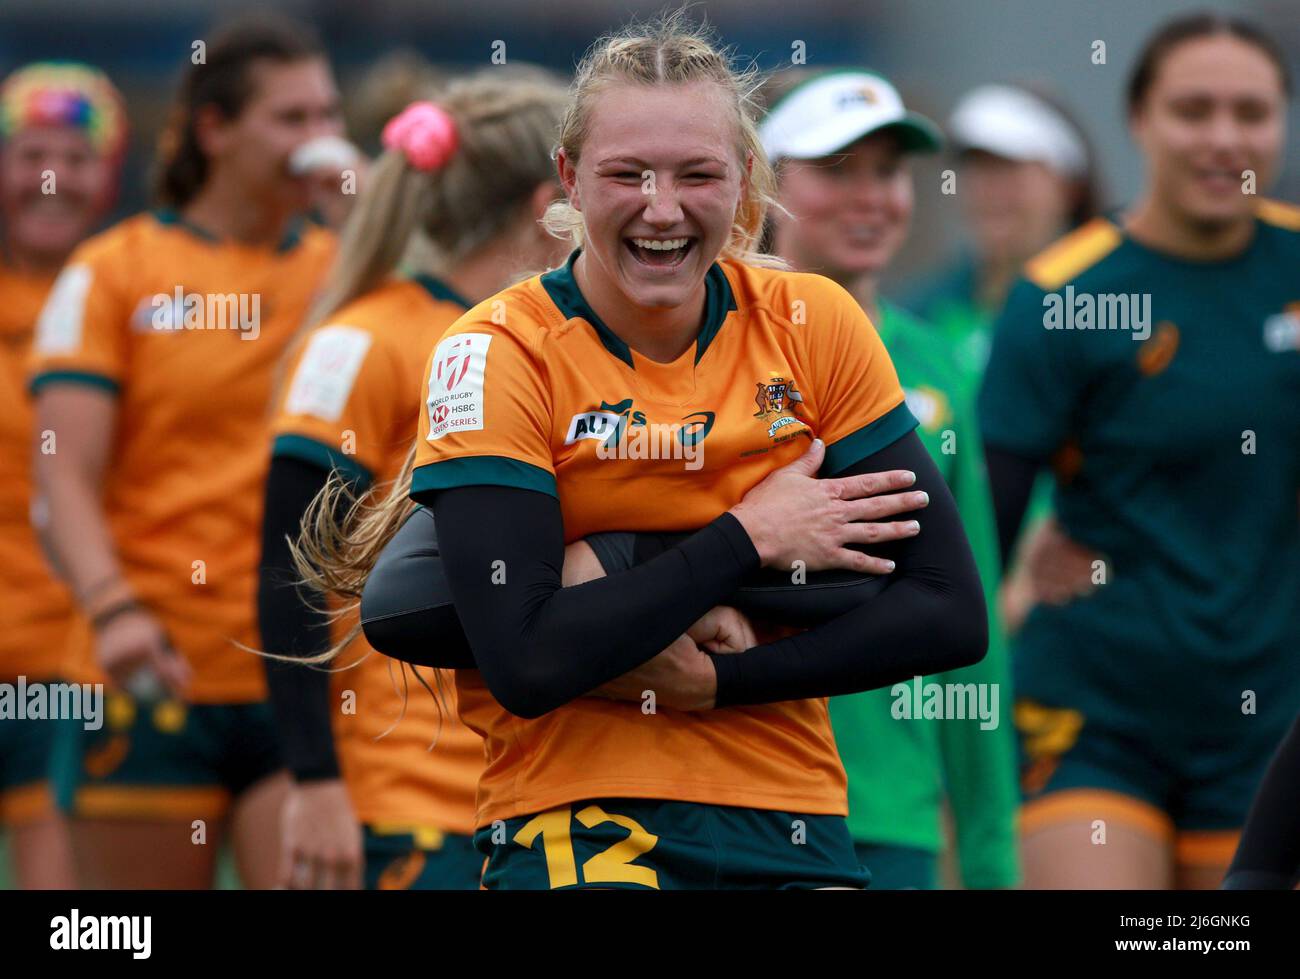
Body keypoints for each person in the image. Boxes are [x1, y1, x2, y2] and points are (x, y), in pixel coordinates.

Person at [310, 11, 987, 890]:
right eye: (626, 174)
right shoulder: (497, 348)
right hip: (579, 812)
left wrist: (712, 673)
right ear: (568, 179)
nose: (661, 208)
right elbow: (527, 658)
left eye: (697, 174)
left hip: (791, 814)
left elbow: (946, 610)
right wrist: (748, 537)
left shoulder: (816, 322)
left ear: (745, 179)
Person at [979, 12, 1299, 889]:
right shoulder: (1061, 296)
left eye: (1252, 112)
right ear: (1138, 120)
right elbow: (980, 548)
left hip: (1273, 720)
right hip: (1094, 713)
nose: (1223, 138)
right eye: (1193, 110)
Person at [29, 15, 344, 889]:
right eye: (292, 118)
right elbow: (61, 476)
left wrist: (365, 227)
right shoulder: (115, 270)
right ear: (215, 130)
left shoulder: (344, 270)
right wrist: (113, 610)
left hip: (298, 681)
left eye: (328, 114)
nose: (319, 138)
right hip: (150, 672)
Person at [259, 70, 571, 890]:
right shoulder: (368, 339)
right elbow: (284, 572)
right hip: (410, 808)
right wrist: (316, 781)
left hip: (545, 801)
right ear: (550, 203)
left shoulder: (558, 342)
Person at [759, 67, 1018, 890]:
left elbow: (972, 631)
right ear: (762, 182)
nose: (871, 196)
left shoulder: (937, 361)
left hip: (892, 814)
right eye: (837, 171)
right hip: (737, 795)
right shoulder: (713, 346)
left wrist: (988, 854)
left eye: (888, 171)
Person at [0, 61, 125, 889]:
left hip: (75, 667)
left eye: (76, 157)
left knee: (69, 912)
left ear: (109, 175)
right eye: (30, 152)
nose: (51, 177)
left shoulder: (142, 303)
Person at [903, 82, 1102, 401]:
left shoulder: (1109, 311)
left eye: (1009, 169)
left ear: (1068, 188)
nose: (989, 189)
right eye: (977, 168)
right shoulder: (921, 316)